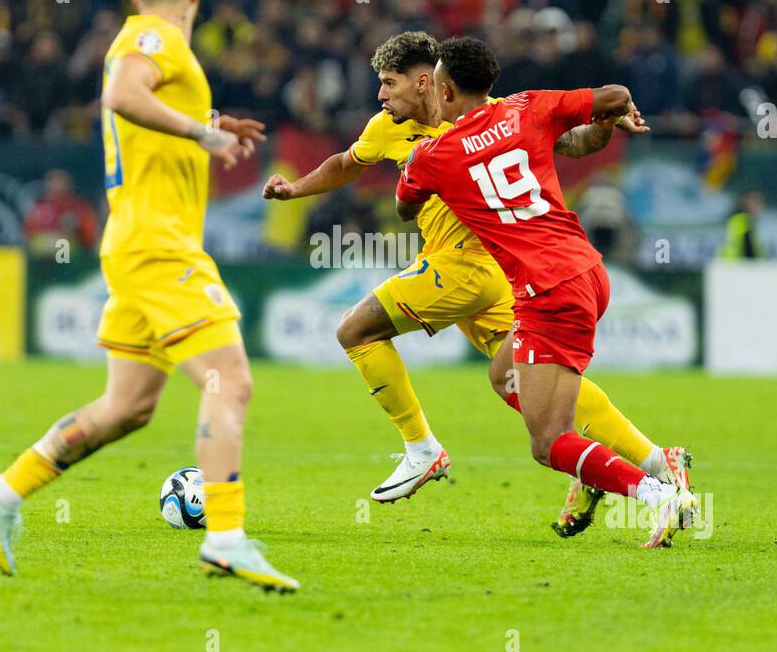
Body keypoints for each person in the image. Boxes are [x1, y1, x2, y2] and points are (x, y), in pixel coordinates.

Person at [0, 0, 298, 591]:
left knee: (127, 407)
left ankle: (3, 492)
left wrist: (209, 121)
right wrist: (204, 133)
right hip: (159, 245)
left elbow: (139, 110)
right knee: (229, 382)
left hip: (135, 242)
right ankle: (226, 538)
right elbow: (121, 96)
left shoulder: (142, 39)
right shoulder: (154, 38)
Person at [263, 32, 691, 513]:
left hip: (467, 267)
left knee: (355, 330)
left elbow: (574, 144)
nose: (381, 96)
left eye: (389, 83)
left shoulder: (487, 115)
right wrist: (295, 189)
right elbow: (346, 163)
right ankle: (654, 460)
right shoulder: (393, 127)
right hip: (516, 275)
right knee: (517, 379)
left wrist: (602, 125)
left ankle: (421, 449)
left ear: (430, 83)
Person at [395, 36, 695, 548]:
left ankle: (658, 493)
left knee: (547, 442)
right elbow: (616, 95)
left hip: (547, 291)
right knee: (503, 373)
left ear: (444, 91)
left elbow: (406, 206)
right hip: (587, 272)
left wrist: (419, 162)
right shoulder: (527, 106)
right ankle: (616, 465)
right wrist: (612, 117)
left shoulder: (434, 155)